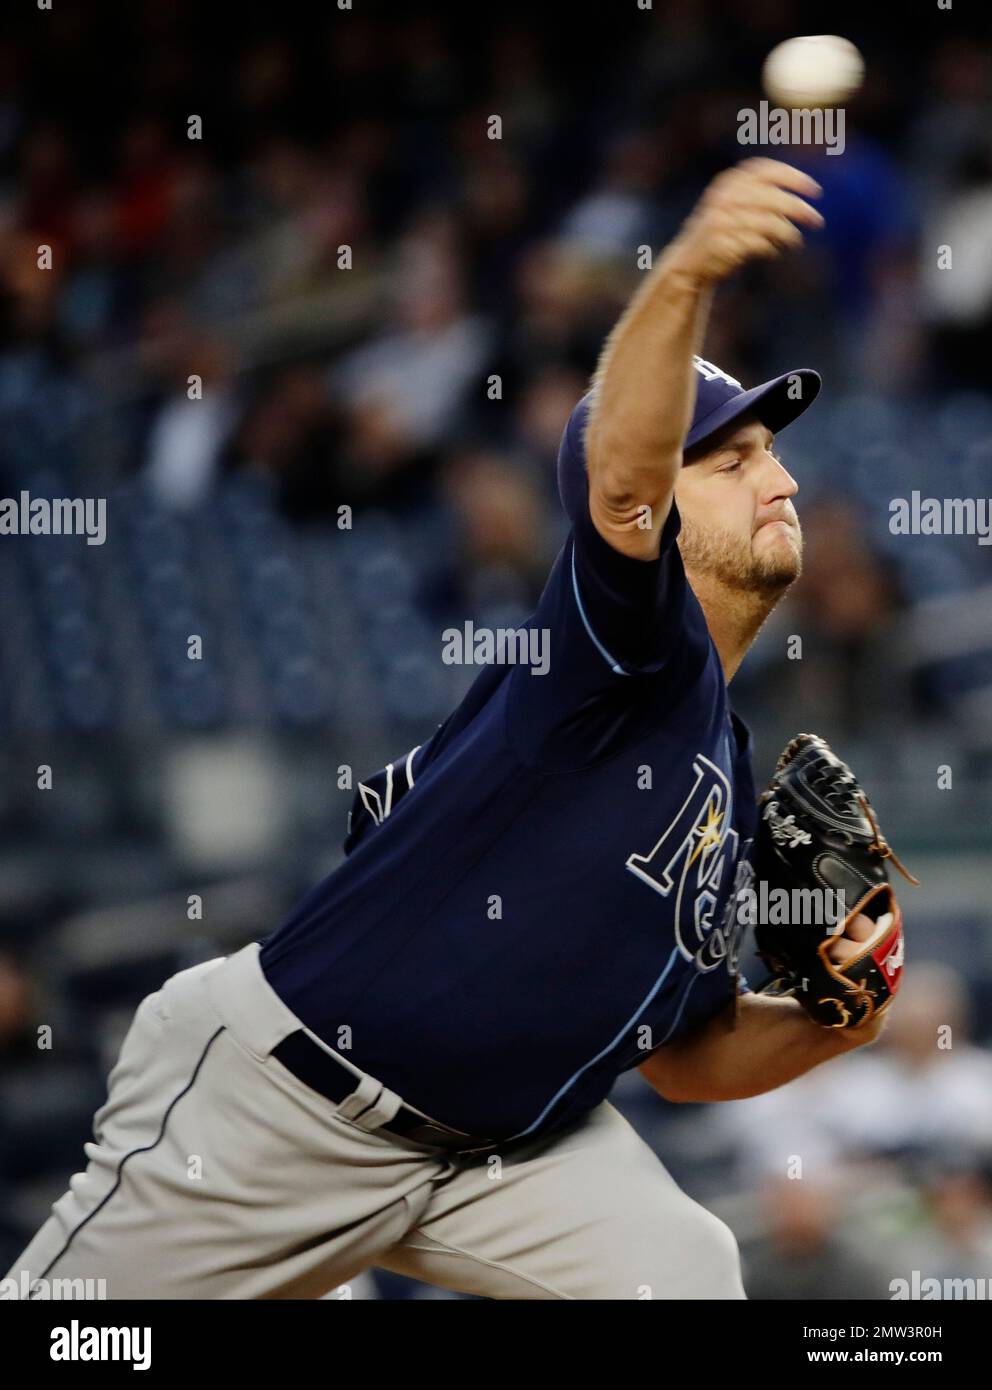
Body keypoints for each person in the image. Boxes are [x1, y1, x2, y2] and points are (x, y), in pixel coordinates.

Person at [7, 160, 891, 1302]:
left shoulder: (714, 756)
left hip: (502, 1155)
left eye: (770, 452)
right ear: (658, 511)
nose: (775, 478)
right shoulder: (618, 650)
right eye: (729, 459)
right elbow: (620, 486)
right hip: (285, 1106)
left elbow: (683, 1056)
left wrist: (839, 1021)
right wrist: (684, 274)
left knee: (681, 1272)